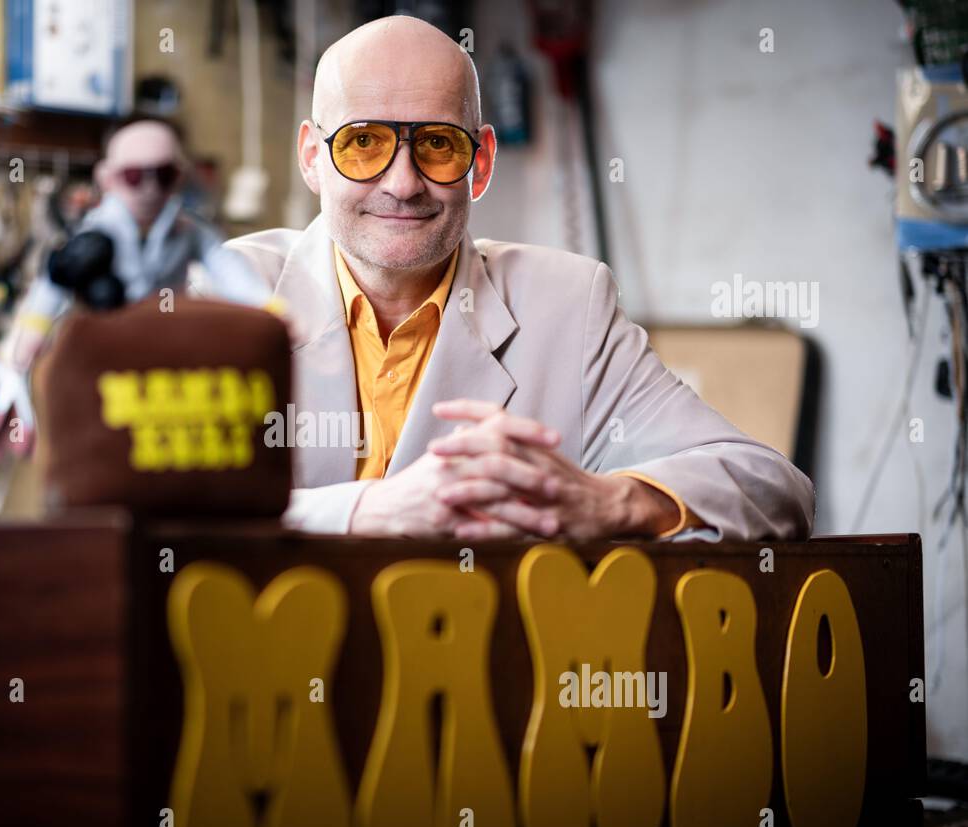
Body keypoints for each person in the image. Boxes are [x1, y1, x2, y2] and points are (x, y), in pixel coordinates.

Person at [225, 15, 814, 541]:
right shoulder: (225, 299)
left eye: (437, 144)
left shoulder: (567, 305)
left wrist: (611, 501)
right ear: (310, 157)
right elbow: (155, 520)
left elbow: (770, 487)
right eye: (363, 143)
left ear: (480, 162)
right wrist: (366, 513)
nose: (402, 183)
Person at [0, 117, 267, 459]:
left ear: (178, 176)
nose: (150, 189)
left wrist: (270, 310)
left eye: (162, 176)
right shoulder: (95, 237)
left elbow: (227, 267)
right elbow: (50, 292)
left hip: (166, 356)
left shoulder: (187, 231)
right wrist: (19, 350)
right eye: (135, 177)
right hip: (106, 360)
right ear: (108, 178)